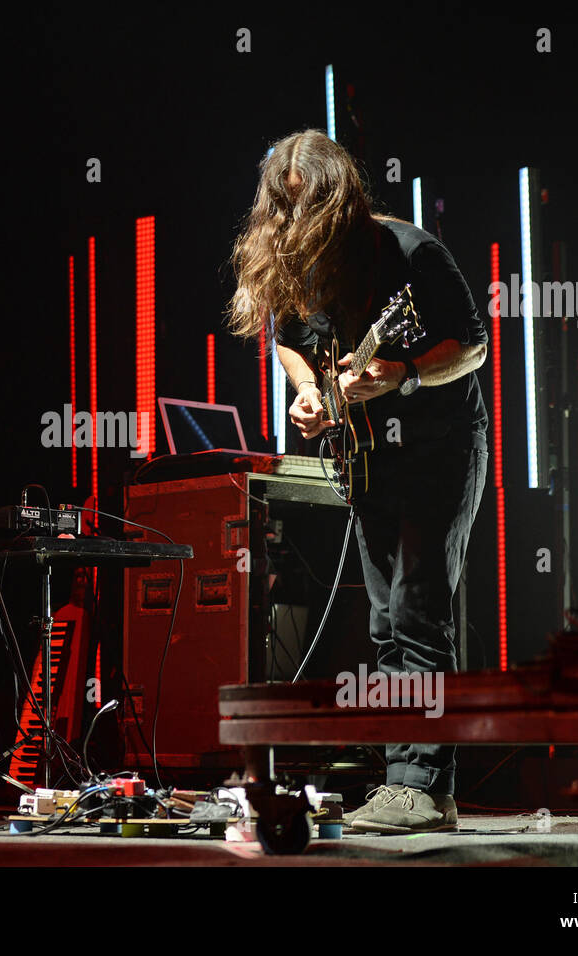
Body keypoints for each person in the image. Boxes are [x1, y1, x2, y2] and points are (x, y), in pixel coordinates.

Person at [226, 130, 489, 834]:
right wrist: (310, 390)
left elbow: (473, 346)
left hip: (440, 447)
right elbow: (285, 337)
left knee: (419, 610)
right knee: (383, 622)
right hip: (370, 457)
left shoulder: (410, 252)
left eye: (304, 203)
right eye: (281, 208)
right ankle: (407, 781)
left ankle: (425, 786)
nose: (293, 219)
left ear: (336, 196)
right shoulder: (301, 263)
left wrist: (400, 373)